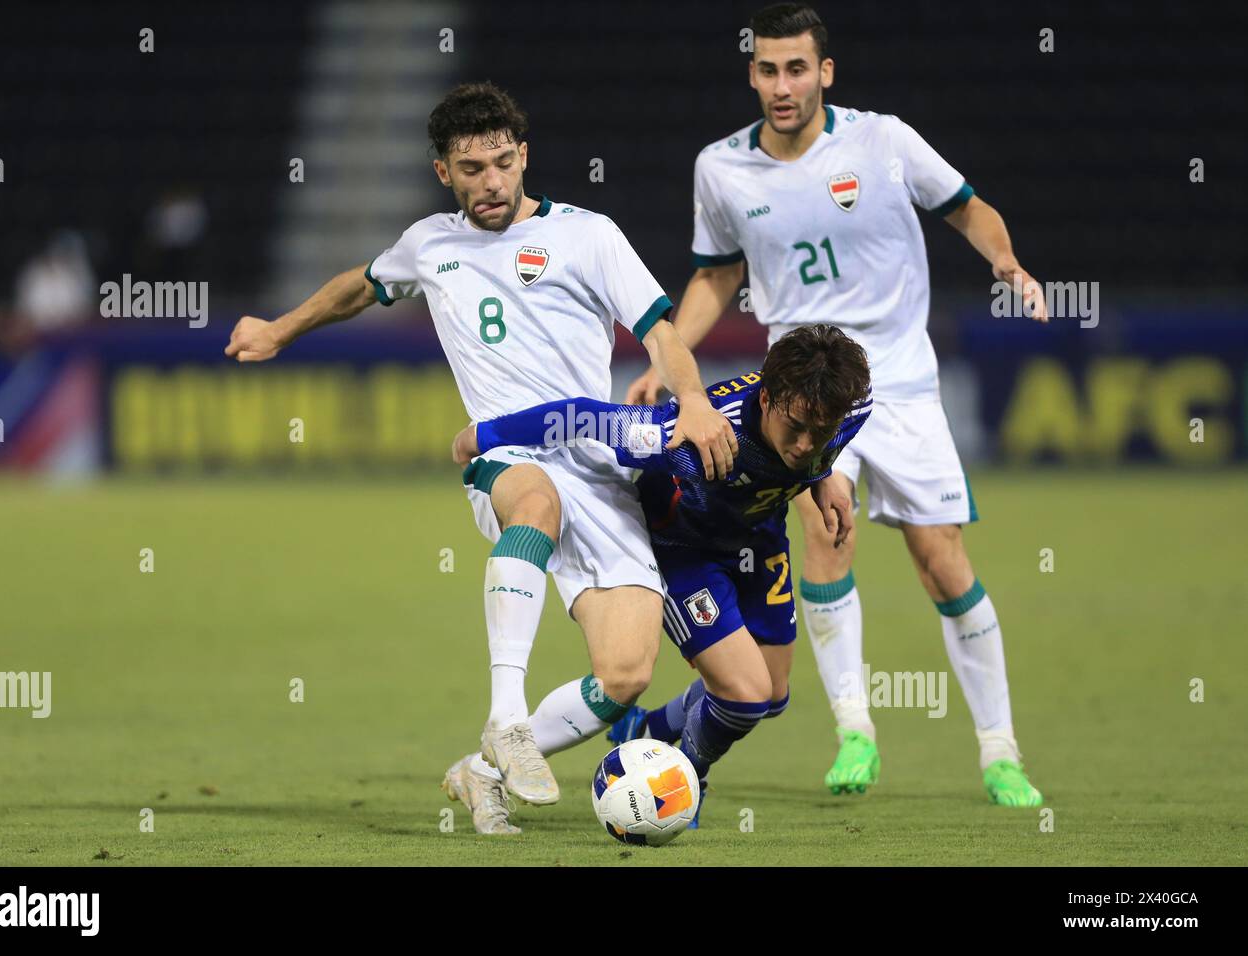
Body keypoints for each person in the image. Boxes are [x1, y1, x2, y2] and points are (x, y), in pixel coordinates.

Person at [224, 82, 737, 834]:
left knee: (625, 674)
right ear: (444, 173)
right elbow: (358, 289)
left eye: (502, 162)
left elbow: (662, 332)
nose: (490, 181)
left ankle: (480, 772)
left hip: (599, 468)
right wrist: (279, 329)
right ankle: (507, 715)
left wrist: (691, 400)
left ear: (524, 156)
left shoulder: (588, 235)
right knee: (536, 505)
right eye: (471, 169)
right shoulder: (430, 244)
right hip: (508, 458)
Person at [624, 4, 1044, 806]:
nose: (782, 87)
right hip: (804, 393)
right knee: (826, 529)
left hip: (901, 379)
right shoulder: (721, 168)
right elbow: (716, 275)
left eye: (797, 69)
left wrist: (1007, 261)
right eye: (767, 70)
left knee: (941, 560)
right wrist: (669, 359)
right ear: (751, 73)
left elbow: (967, 206)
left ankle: (1000, 752)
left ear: (825, 73)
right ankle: (856, 730)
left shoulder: (882, 141)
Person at [454, 325, 870, 826]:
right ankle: (681, 783)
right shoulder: (694, 431)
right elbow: (580, 418)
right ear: (767, 399)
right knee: (744, 696)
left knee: (773, 695)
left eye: (819, 434)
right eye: (796, 427)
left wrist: (823, 479)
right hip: (683, 550)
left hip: (759, 542)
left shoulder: (848, 410)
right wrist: (484, 435)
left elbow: (816, 447)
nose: (805, 445)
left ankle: (646, 728)